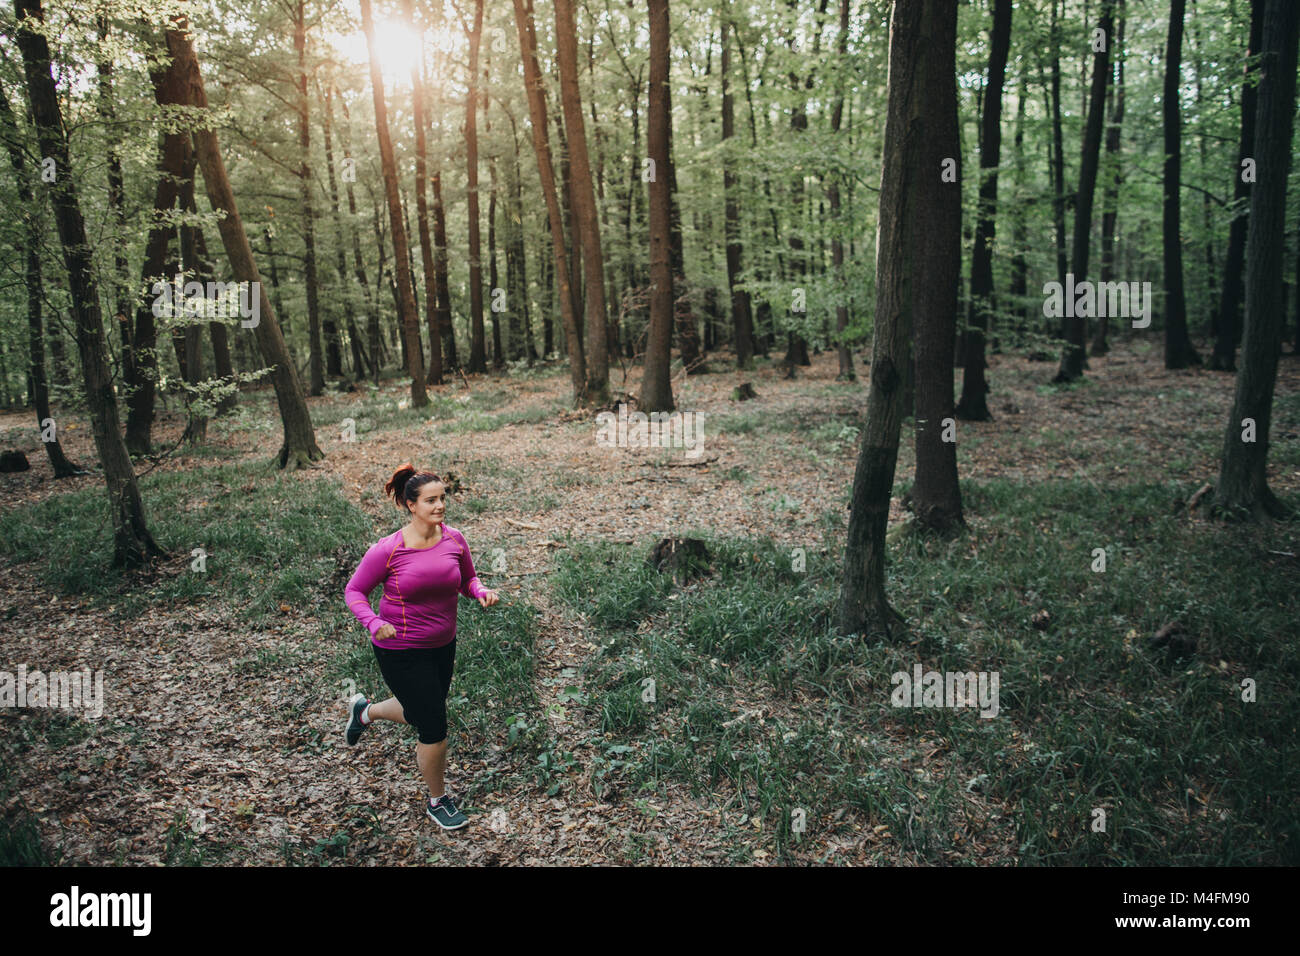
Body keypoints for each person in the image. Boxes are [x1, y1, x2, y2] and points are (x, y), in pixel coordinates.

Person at [343, 463, 500, 830]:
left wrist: (480, 592)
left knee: (420, 709)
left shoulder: (454, 539)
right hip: (400, 648)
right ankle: (437, 800)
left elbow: (468, 578)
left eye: (442, 498)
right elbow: (354, 591)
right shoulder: (388, 549)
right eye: (431, 500)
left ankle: (364, 712)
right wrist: (374, 622)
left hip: (443, 644)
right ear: (411, 505)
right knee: (433, 725)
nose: (440, 506)